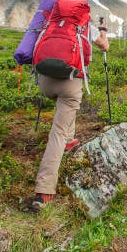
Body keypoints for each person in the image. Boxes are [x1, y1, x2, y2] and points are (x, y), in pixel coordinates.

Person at [32, 20, 109, 210]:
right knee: (58, 130)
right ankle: (44, 190)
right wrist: (103, 30)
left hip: (45, 82)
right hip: (70, 81)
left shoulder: (51, 22)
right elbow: (104, 46)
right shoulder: (84, 26)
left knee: (66, 110)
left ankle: (69, 140)